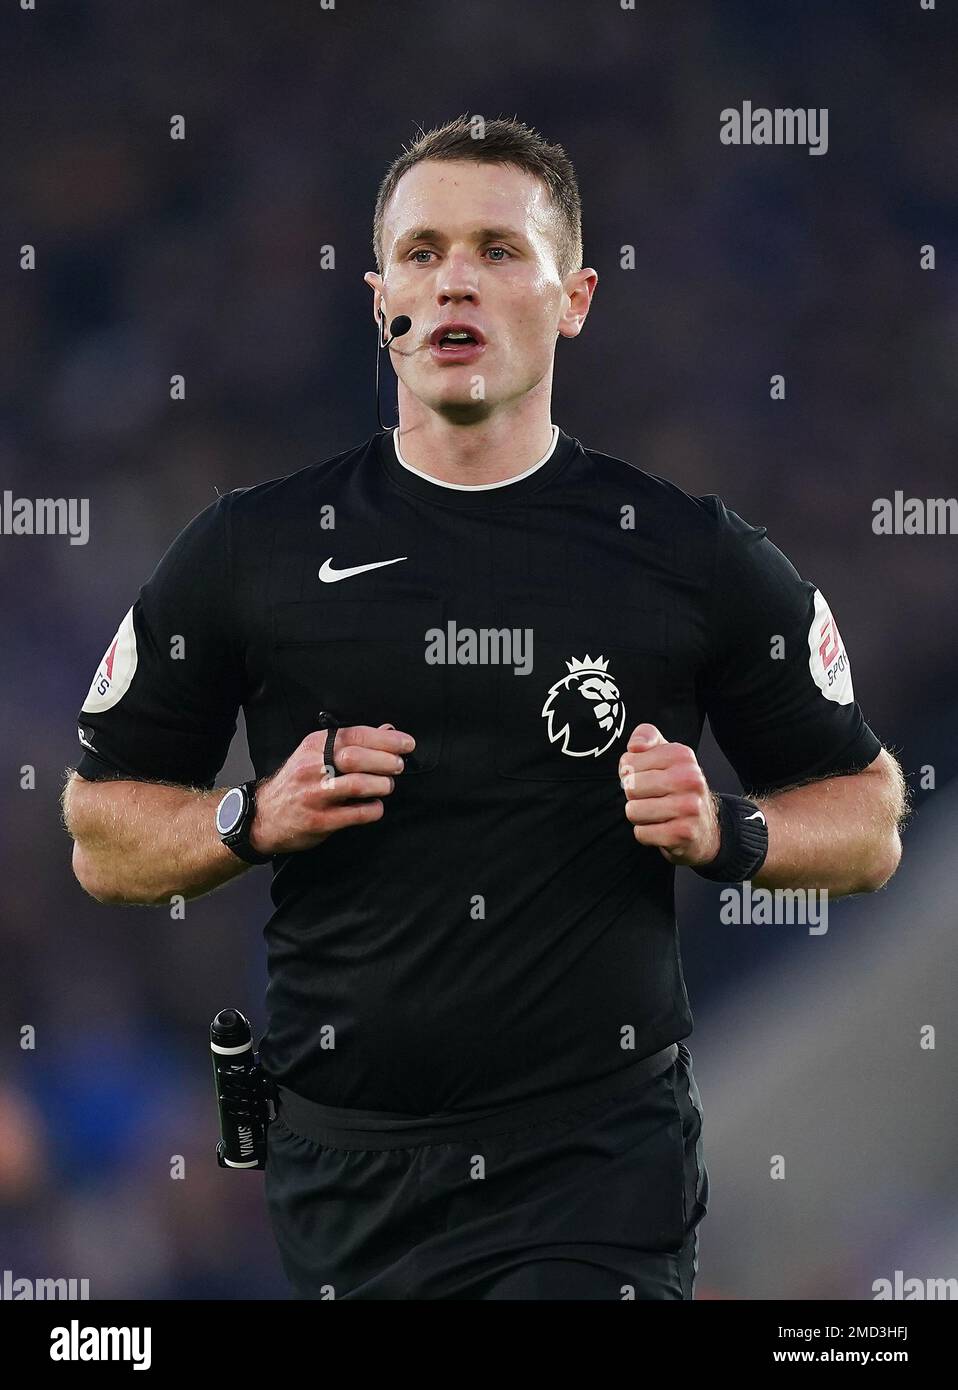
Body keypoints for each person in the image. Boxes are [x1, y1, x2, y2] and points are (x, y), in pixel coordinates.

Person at [63, 114, 906, 1300]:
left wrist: (729, 830)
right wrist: (246, 818)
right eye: (420, 251)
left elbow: (869, 821)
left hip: (593, 1168)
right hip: (341, 1178)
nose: (454, 276)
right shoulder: (249, 550)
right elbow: (101, 832)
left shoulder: (685, 551)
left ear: (575, 298)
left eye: (499, 250)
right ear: (378, 298)